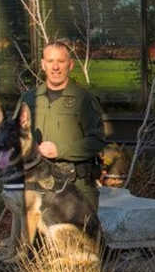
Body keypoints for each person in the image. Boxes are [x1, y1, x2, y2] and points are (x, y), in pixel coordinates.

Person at [16, 40, 106, 211]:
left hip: (76, 187)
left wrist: (60, 150)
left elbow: (97, 140)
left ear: (70, 65)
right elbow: (15, 137)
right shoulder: (28, 99)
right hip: (37, 185)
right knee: (38, 237)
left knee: (81, 237)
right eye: (50, 61)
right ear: (43, 64)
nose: (55, 67)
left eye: (61, 61)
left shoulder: (84, 99)